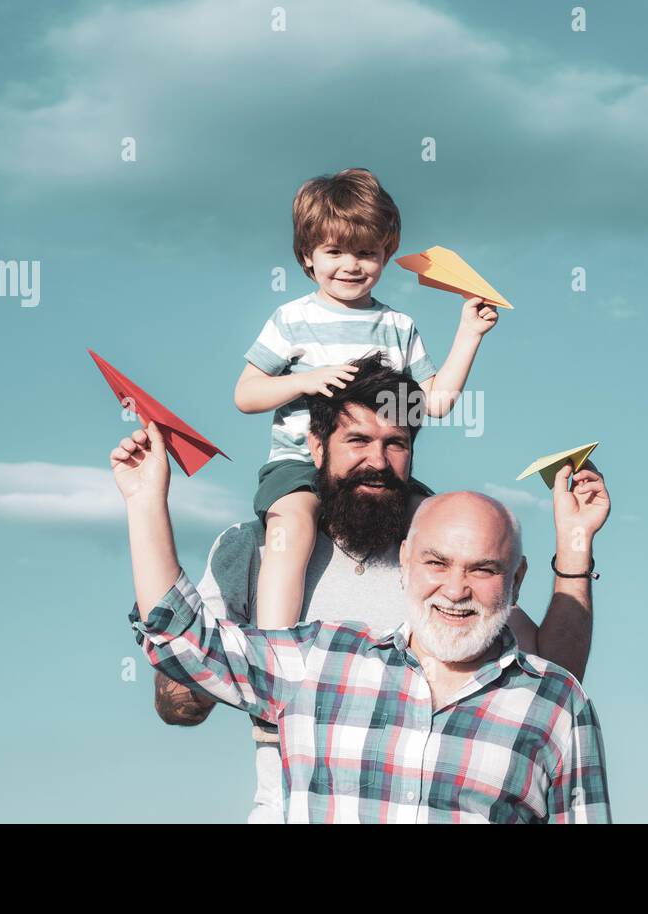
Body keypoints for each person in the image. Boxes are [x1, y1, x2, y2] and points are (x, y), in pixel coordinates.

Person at [114, 354, 610, 821]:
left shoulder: (443, 570)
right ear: (315, 446)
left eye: (395, 444)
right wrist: (257, 682)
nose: (377, 460)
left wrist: (574, 546)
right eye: (357, 441)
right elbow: (182, 684)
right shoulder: (262, 560)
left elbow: (545, 692)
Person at [125, 484, 612, 823]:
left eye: (482, 569)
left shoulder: (557, 702)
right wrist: (144, 499)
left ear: (516, 580)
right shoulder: (321, 660)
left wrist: (575, 543)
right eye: (436, 562)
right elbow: (182, 641)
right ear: (405, 561)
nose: (455, 589)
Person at [234, 167, 500, 634]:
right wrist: (307, 381)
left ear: (386, 254)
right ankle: (273, 643)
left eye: (366, 253)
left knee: (438, 524)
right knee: (291, 528)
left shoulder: (398, 326)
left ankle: (439, 642)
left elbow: (434, 403)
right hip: (298, 461)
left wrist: (470, 334)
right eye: (334, 251)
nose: (351, 265)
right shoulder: (292, 319)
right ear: (307, 257)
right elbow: (247, 394)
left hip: (377, 467)